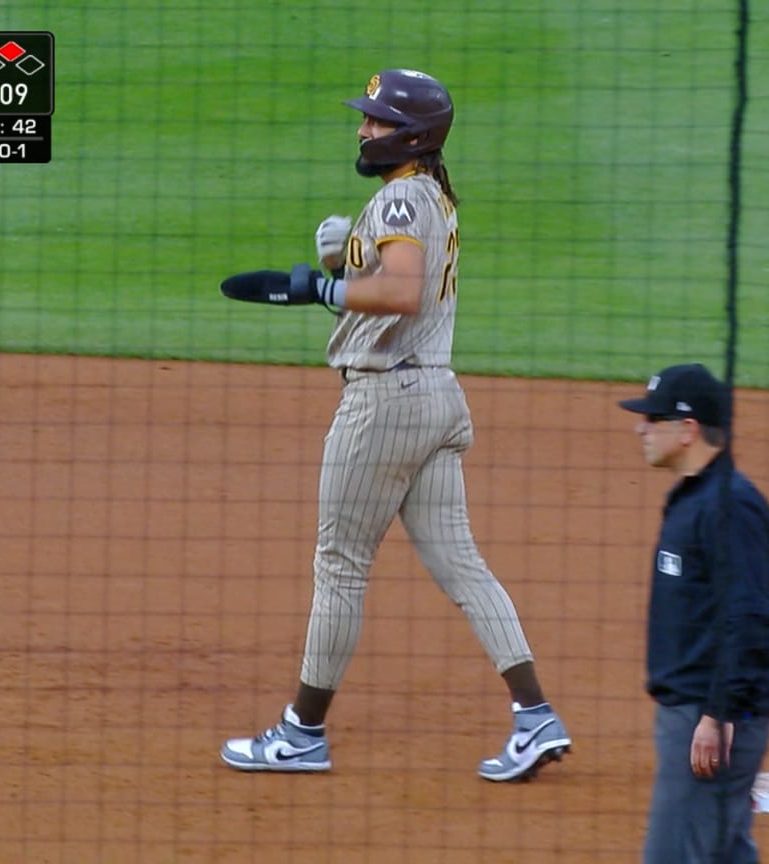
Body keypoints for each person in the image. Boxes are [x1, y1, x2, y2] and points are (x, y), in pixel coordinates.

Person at [216, 69, 571, 782]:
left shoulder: (404, 198)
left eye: (375, 121)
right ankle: (536, 717)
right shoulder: (428, 192)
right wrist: (343, 259)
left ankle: (302, 732)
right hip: (435, 397)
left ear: (410, 135)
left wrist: (321, 286)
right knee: (461, 563)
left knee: (340, 564)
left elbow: (402, 292)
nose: (361, 129)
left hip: (386, 403)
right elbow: (392, 281)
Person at [618, 363, 769, 863]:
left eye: (653, 419)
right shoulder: (699, 499)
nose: (640, 428)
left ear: (688, 430)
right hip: (701, 713)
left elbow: (751, 619)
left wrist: (719, 713)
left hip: (706, 719)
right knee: (725, 852)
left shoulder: (728, 508)